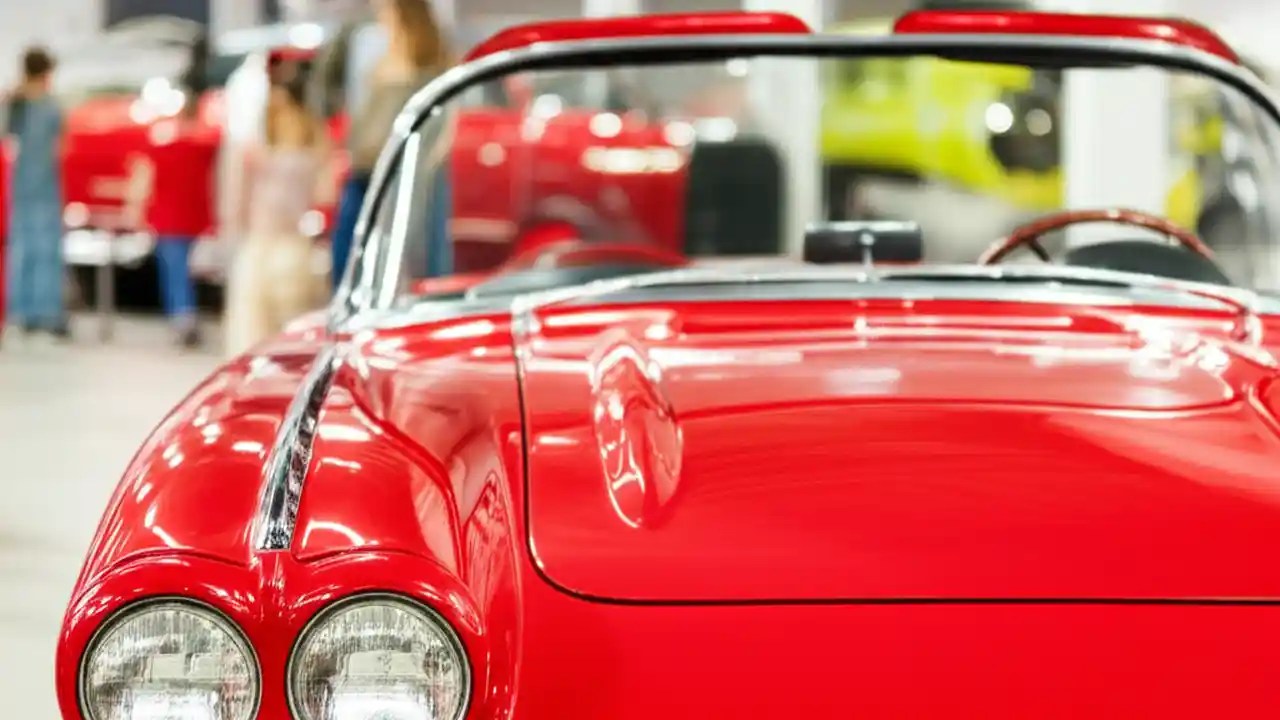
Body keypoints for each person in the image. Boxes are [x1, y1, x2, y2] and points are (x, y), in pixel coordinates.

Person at [330, 0, 450, 294]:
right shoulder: (374, 47)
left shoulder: (430, 54)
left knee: (408, 252)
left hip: (407, 172)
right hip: (366, 166)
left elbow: (446, 120)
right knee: (350, 250)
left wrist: (430, 161)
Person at [223, 76, 332, 357]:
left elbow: (239, 198)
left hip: (271, 240)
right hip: (285, 241)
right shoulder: (315, 147)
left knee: (259, 321)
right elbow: (325, 193)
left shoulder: (258, 151)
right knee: (284, 318)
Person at [123, 95, 219, 348]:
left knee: (174, 272)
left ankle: (182, 317)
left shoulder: (160, 147)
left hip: (167, 220)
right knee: (189, 271)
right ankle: (188, 315)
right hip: (197, 219)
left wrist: (135, 210)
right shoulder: (206, 148)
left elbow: (143, 177)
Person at [5, 47, 68, 339]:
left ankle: (25, 312)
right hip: (42, 186)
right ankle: (44, 313)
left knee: (25, 251)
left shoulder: (18, 103)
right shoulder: (47, 106)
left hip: (25, 186)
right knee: (44, 251)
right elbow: (62, 146)